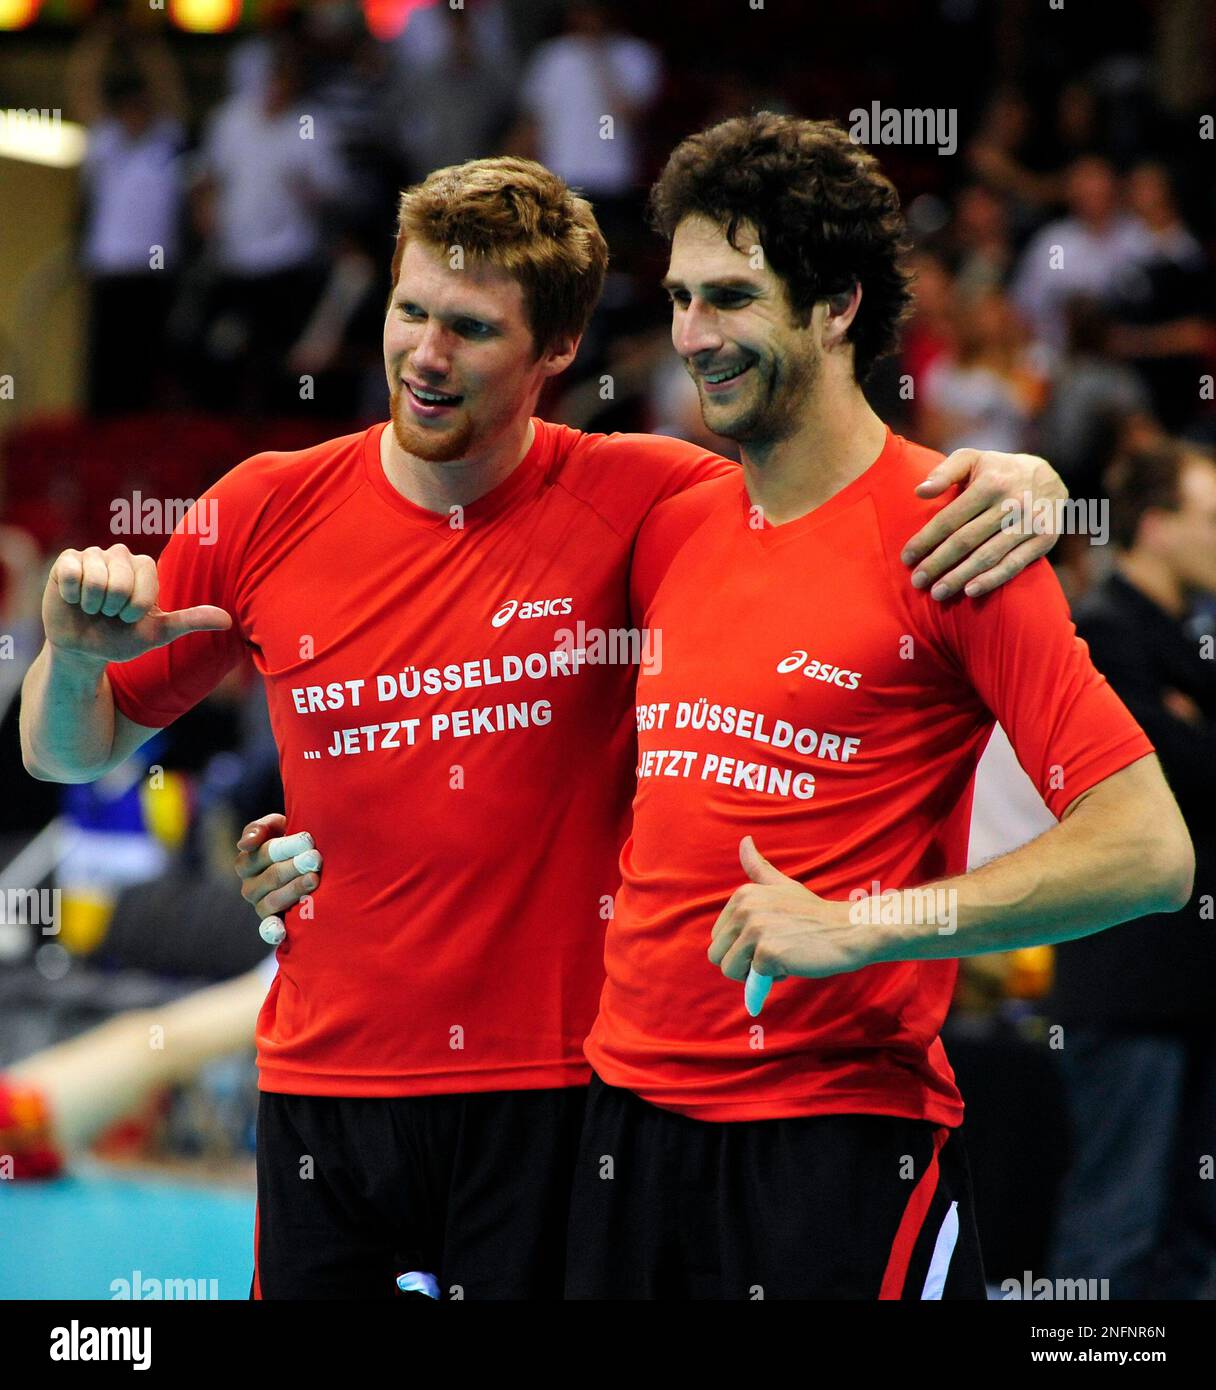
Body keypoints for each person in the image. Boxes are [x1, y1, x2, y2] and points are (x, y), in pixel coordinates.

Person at [21, 155, 1065, 1300]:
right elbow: (67, 751)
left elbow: (849, 485)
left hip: (556, 1102)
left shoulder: (652, 501)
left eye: (468, 328)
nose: (423, 355)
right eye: (410, 310)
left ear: (556, 350)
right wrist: (71, 654)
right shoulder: (263, 507)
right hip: (326, 1092)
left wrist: (1021, 480)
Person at [561, 114, 1193, 1300]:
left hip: (833, 1142)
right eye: (683, 297)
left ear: (838, 305)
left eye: (733, 298)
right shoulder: (668, 513)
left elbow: (1149, 848)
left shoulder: (958, 537)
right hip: (626, 1125)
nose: (693, 336)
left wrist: (863, 925)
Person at [1047, 440, 1216, 1299]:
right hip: (1129, 983)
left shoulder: (1189, 641)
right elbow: (1174, 769)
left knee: (1193, 1233)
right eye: (1211, 520)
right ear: (1154, 527)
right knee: (1117, 1228)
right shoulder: (1101, 635)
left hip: (1189, 987)